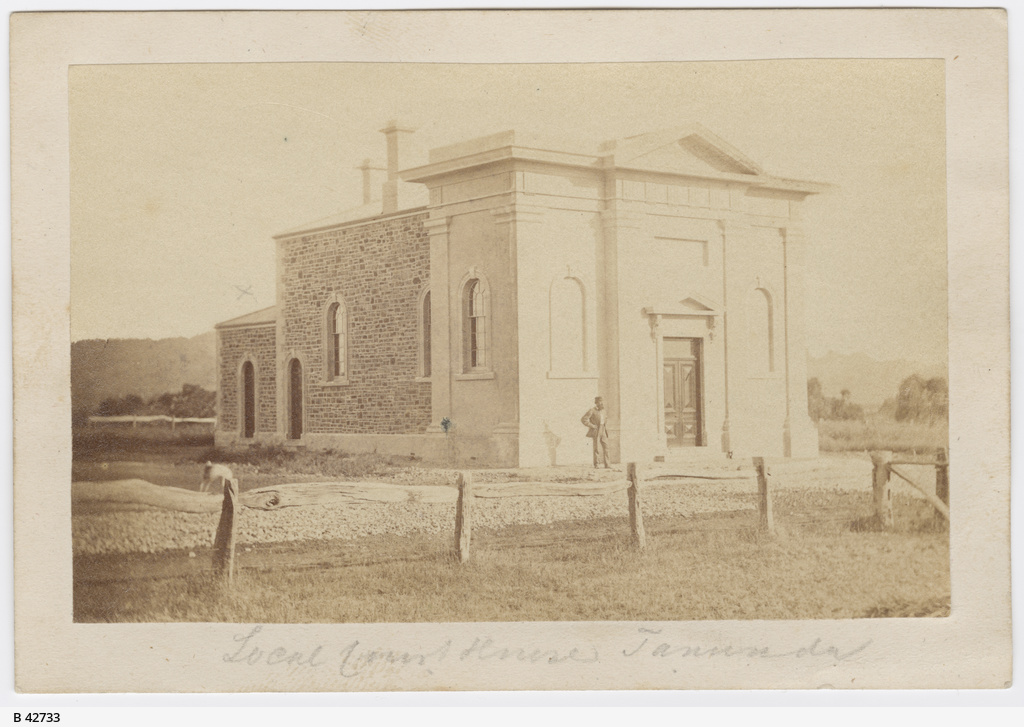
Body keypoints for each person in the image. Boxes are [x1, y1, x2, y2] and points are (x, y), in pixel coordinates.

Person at [580, 396, 610, 469]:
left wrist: (604, 427)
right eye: (600, 402)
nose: (601, 403)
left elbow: (605, 419)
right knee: (596, 448)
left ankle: (607, 464)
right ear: (596, 403)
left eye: (602, 401)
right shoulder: (592, 410)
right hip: (596, 430)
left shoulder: (604, 411)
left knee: (606, 447)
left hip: (603, 430)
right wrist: (592, 426)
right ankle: (597, 464)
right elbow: (584, 419)